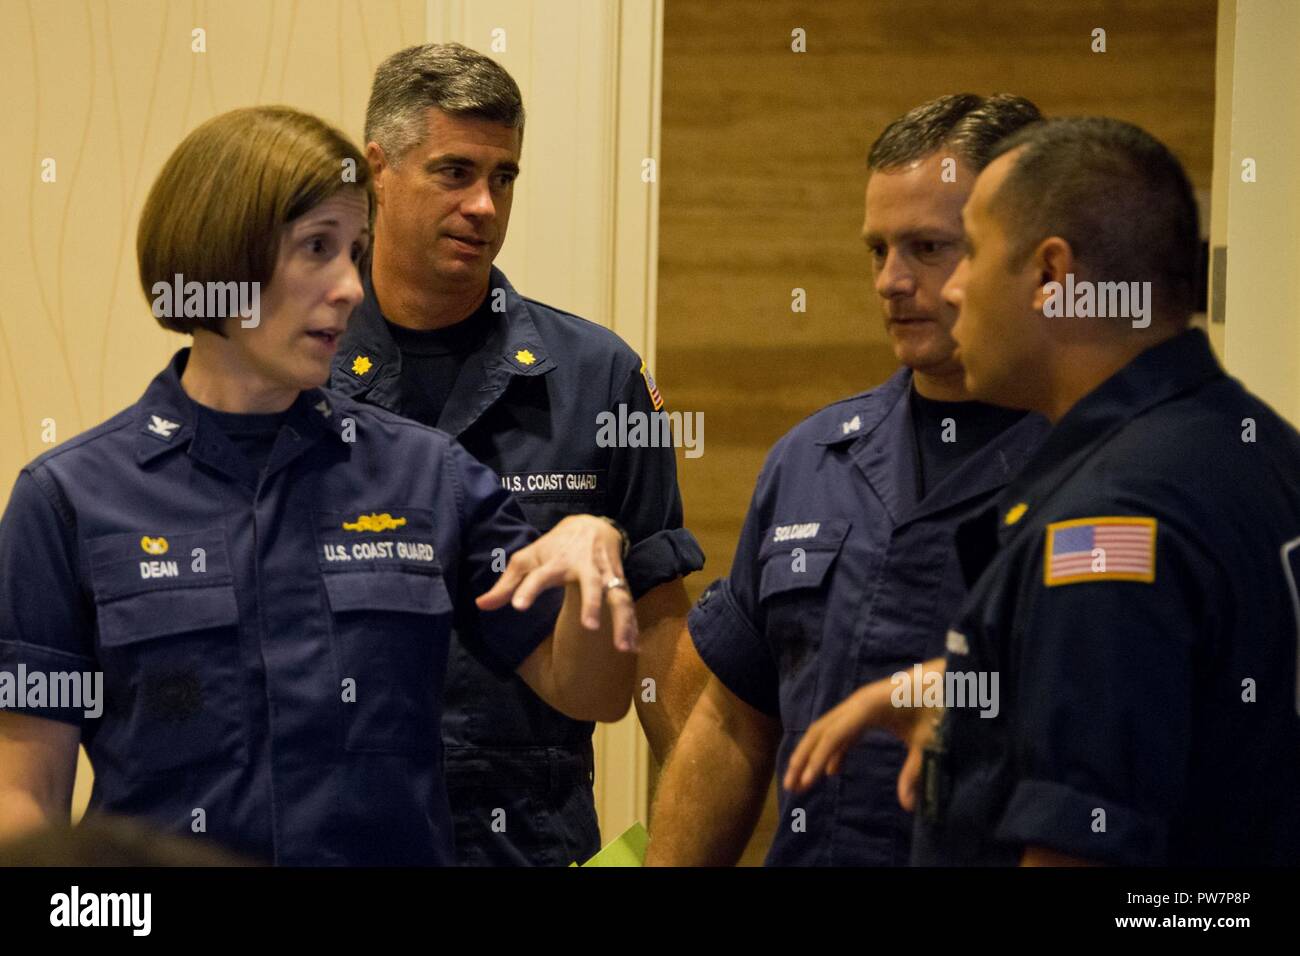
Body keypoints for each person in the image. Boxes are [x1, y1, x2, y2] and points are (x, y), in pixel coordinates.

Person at [0, 105, 640, 866]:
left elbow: (589, 693)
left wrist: (593, 560)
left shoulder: (427, 476)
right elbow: (26, 796)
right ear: (217, 260)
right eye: (317, 250)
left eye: (356, 251)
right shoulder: (68, 499)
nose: (350, 289)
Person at [786, 117, 1300, 866]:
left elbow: (1087, 846)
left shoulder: (1108, 526)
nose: (951, 290)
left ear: (1053, 277)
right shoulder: (1262, 449)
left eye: (967, 252)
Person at [645, 94, 1048, 867]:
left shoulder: (1095, 471)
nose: (890, 282)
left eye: (929, 248)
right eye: (878, 250)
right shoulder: (813, 459)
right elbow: (733, 720)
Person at [330, 43, 704, 866]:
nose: (483, 206)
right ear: (377, 172)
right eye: (454, 172)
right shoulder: (300, 364)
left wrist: (684, 848)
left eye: (504, 179)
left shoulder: (599, 376)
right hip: (339, 824)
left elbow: (659, 626)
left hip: (527, 834)